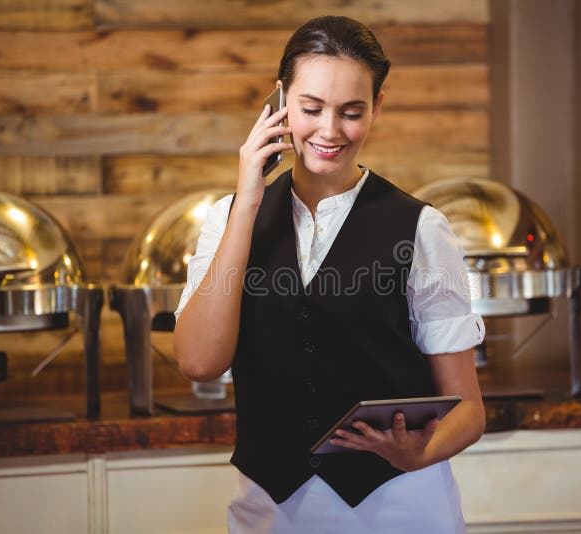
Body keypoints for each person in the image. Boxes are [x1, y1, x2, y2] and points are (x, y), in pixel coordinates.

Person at [173, 15, 486, 533]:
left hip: (399, 506)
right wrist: (248, 201)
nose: (330, 131)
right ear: (280, 101)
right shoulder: (230, 218)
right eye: (311, 108)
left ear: (377, 108)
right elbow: (200, 361)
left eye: (352, 112)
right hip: (271, 513)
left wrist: (421, 451)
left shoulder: (423, 229)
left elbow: (470, 411)